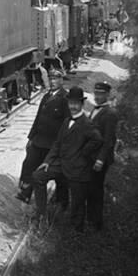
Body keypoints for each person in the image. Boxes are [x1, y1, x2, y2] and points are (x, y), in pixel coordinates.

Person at [29, 86, 101, 232]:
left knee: (77, 202)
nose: (73, 107)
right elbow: (57, 143)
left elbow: (98, 140)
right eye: (70, 103)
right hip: (60, 165)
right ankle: (41, 216)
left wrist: (82, 154)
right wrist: (47, 161)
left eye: (76, 104)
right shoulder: (66, 120)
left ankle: (75, 232)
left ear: (82, 104)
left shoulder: (86, 123)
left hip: (76, 169)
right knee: (37, 176)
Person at [16, 67, 68, 202]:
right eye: (50, 79)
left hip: (53, 143)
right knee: (29, 165)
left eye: (55, 79)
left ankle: (59, 200)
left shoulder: (65, 99)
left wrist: (61, 145)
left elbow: (66, 124)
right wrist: (30, 138)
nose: (52, 82)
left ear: (61, 80)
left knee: (52, 172)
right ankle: (25, 193)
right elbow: (38, 118)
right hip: (39, 140)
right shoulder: (46, 96)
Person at [85, 81, 119, 230]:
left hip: (99, 159)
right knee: (90, 188)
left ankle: (96, 223)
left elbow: (109, 139)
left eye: (101, 94)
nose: (97, 96)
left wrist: (100, 160)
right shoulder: (94, 109)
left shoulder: (110, 113)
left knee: (96, 190)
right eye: (96, 93)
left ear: (107, 95)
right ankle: (90, 217)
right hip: (91, 156)